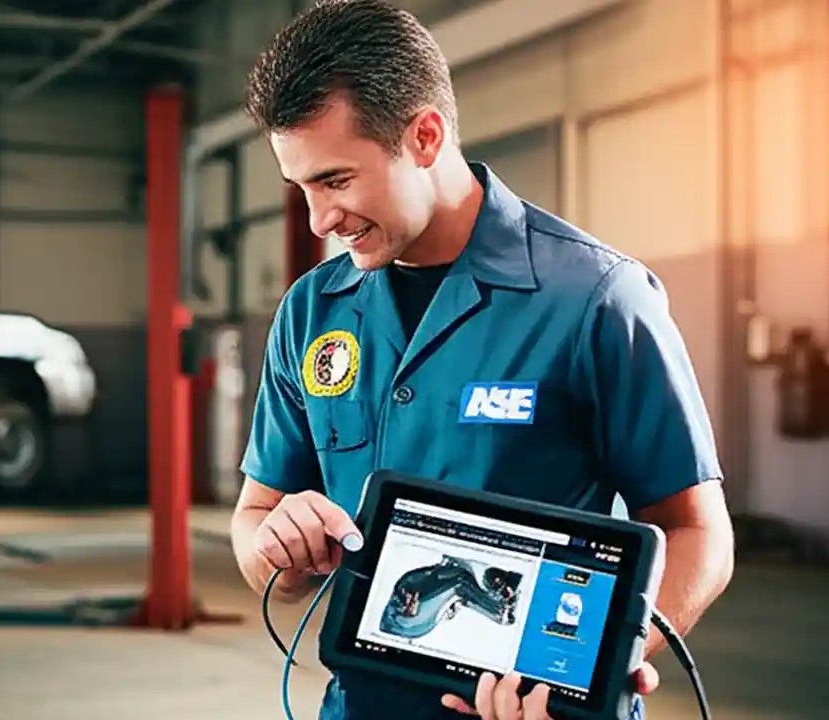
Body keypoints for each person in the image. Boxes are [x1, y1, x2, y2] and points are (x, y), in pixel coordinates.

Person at [229, 1, 736, 718]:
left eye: (337, 181)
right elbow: (256, 513)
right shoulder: (312, 312)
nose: (319, 221)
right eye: (303, 188)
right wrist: (275, 552)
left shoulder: (596, 299)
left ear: (425, 136)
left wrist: (600, 654)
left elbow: (698, 530)